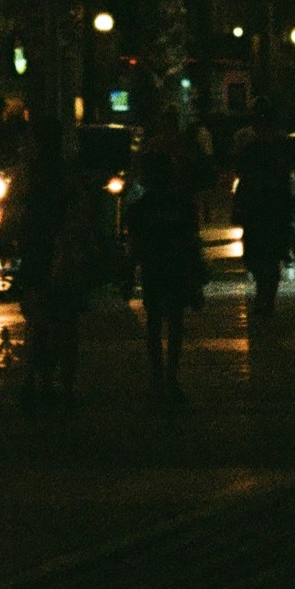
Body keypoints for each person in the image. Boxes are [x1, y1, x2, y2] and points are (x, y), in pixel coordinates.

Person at [5, 116, 96, 405]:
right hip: (63, 255)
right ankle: (64, 386)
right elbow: (81, 215)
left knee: (38, 321)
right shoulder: (67, 175)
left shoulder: (26, 176)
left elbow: (13, 216)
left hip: (38, 253)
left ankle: (36, 383)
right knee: (66, 324)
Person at [123, 115, 204, 402]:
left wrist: (128, 275)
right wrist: (196, 277)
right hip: (175, 268)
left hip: (155, 270)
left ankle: (159, 377)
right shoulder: (182, 205)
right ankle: (169, 376)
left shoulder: (140, 208)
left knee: (155, 324)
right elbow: (192, 241)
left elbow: (134, 245)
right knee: (174, 323)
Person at [232, 112, 295, 322]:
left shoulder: (254, 151)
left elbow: (242, 177)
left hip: (260, 210)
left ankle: (264, 296)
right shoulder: (280, 150)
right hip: (272, 210)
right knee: (272, 256)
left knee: (261, 257)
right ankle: (267, 297)